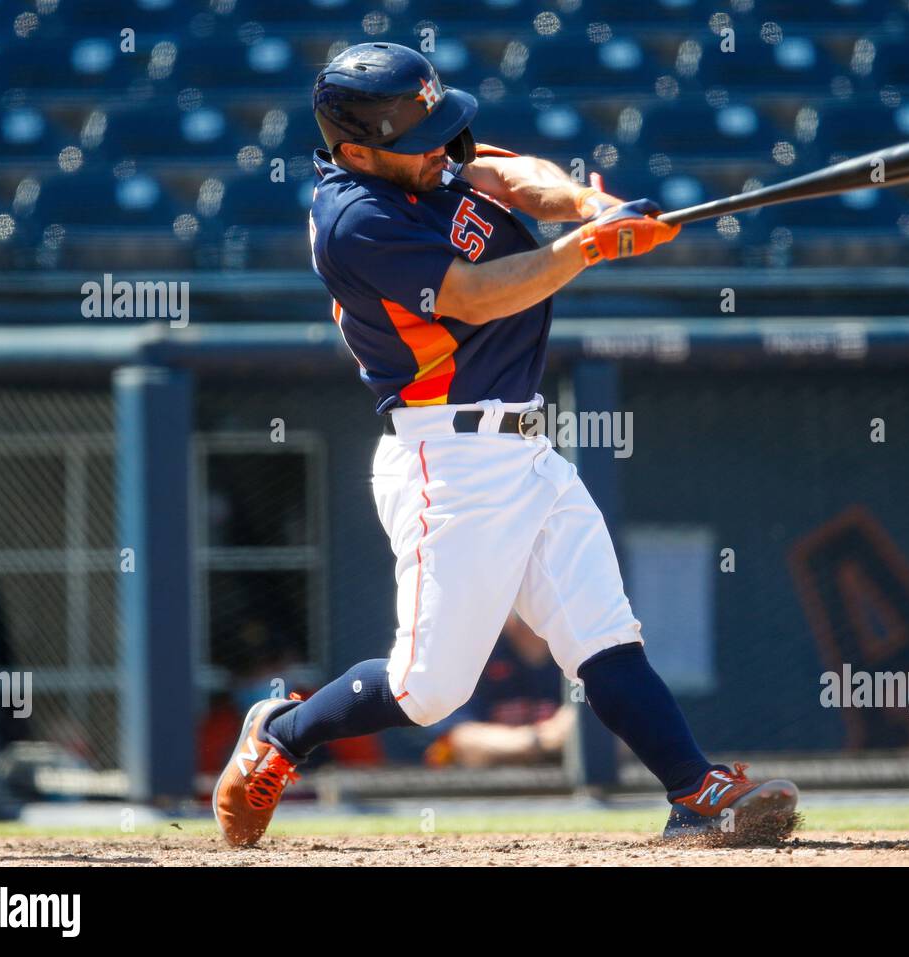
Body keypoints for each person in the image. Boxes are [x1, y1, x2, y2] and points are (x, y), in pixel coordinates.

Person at [212, 42, 797, 846]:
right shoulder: (354, 218)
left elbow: (511, 174)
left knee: (604, 634)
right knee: (427, 692)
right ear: (355, 148)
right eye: (414, 137)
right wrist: (588, 249)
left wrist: (590, 209)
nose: (438, 149)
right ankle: (283, 732)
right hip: (445, 461)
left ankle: (695, 793)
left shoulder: (422, 156)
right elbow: (479, 297)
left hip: (525, 446)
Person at [423, 613, 574, 769]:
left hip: (570, 781)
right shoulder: (471, 652)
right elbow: (458, 739)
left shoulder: (582, 651)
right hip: (484, 785)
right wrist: (540, 740)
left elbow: (583, 729)